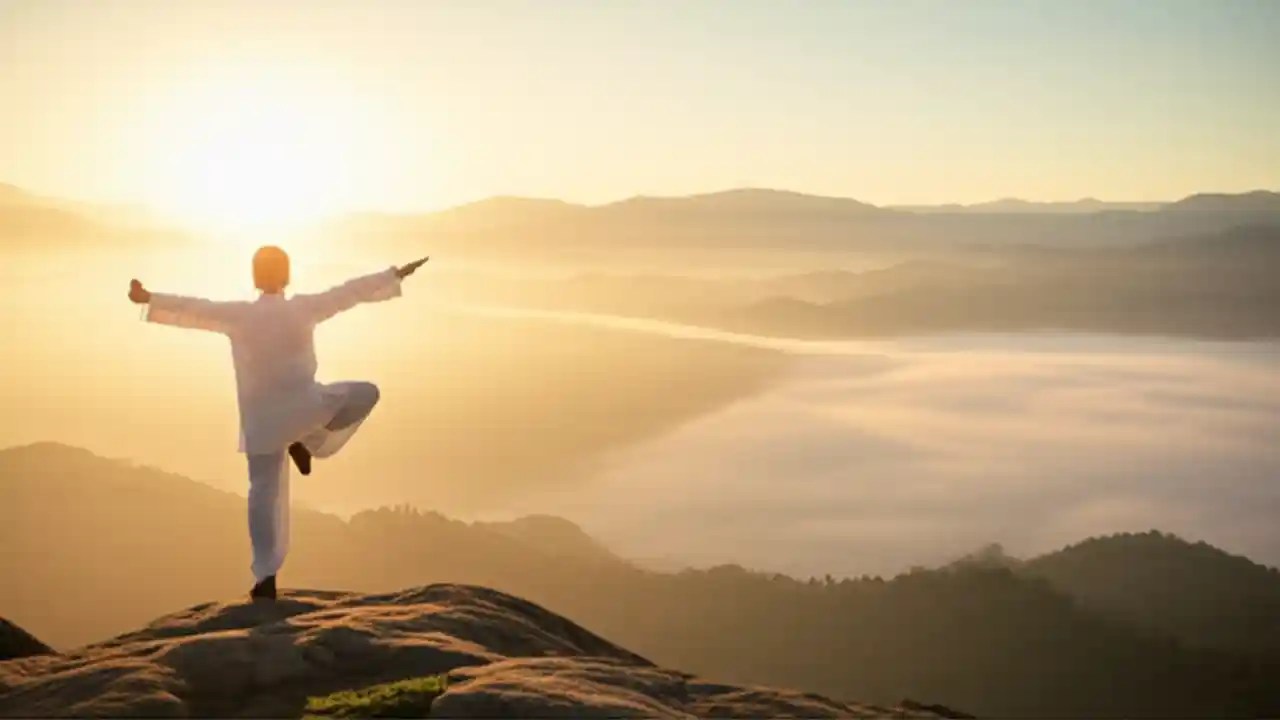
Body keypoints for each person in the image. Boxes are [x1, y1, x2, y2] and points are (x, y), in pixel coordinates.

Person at [127, 247, 428, 600]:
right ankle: (309, 440)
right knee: (365, 393)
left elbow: (195, 308)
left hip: (262, 420)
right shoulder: (303, 308)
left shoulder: (239, 316)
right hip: (306, 407)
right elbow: (349, 293)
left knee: (262, 495)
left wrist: (149, 298)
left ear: (255, 278)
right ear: (287, 276)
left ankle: (265, 577)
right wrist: (393, 276)